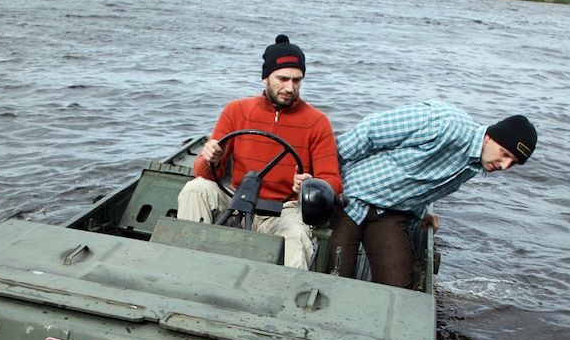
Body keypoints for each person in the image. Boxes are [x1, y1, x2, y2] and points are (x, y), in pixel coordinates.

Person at [326, 101, 537, 287]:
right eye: (505, 154)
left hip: (390, 213)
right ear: (490, 137)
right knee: (335, 280)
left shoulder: (474, 164)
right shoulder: (444, 121)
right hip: (352, 198)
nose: (505, 165)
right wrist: (327, 173)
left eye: (513, 163)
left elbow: (420, 183)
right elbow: (371, 131)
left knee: (399, 290)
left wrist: (422, 211)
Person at [177, 35, 342, 270]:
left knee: (295, 234)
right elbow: (204, 172)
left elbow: (333, 181)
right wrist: (212, 157)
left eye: (297, 80)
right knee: (196, 189)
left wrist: (310, 185)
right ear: (266, 77)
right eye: (282, 78)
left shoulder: (317, 122)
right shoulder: (237, 110)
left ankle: (288, 295)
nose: (290, 87)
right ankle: (184, 266)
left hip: (284, 209)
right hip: (236, 198)